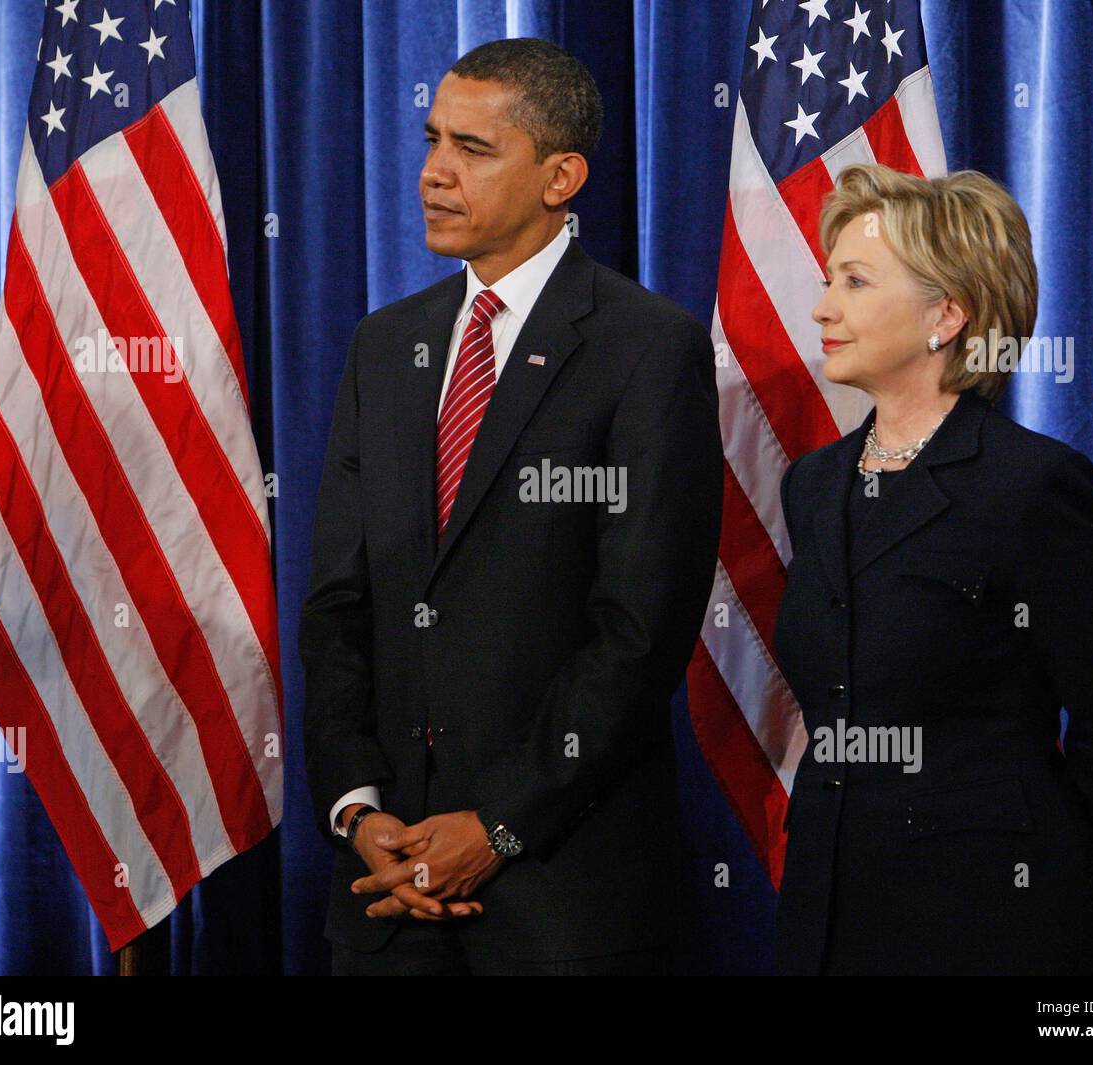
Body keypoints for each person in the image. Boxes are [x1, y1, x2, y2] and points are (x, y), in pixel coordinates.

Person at [300, 37, 723, 976]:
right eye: (431, 141)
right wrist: (360, 811)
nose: (433, 174)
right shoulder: (384, 345)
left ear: (560, 175)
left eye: (474, 149)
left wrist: (496, 826)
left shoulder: (647, 349)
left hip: (559, 906)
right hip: (385, 896)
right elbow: (337, 603)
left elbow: (640, 630)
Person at [773, 163, 1093, 975]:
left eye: (853, 280)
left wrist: (1070, 891)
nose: (821, 307)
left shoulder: (1033, 485)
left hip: (993, 926)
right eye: (825, 279)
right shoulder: (812, 485)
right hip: (829, 921)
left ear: (946, 315)